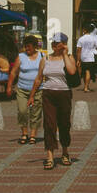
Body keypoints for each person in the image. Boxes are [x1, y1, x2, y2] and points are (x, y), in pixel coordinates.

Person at [39, 33, 78, 170]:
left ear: (64, 44)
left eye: (57, 43)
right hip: (48, 93)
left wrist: (65, 54)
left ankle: (65, 152)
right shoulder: (46, 58)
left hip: (64, 93)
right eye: (53, 43)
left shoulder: (69, 57)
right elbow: (39, 78)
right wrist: (32, 95)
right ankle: (49, 156)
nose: (54, 45)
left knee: (64, 123)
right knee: (49, 124)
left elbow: (72, 71)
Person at [8, 35, 44, 145]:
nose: (27, 49)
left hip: (38, 89)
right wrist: (9, 86)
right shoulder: (21, 56)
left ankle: (33, 135)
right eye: (25, 47)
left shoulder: (42, 56)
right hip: (22, 89)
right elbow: (14, 72)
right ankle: (24, 133)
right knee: (22, 111)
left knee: (36, 112)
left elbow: (44, 73)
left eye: (29, 47)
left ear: (35, 46)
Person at [77, 25, 97, 92]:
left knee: (85, 72)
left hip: (83, 57)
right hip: (91, 57)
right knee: (88, 71)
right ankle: (86, 87)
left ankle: (86, 86)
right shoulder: (93, 38)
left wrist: (78, 59)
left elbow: (78, 50)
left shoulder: (81, 39)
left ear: (84, 30)